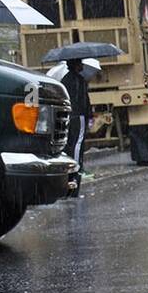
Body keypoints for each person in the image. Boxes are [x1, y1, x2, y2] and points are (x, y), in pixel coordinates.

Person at [61, 58, 93, 197]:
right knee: (78, 143)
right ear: (76, 65)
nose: (82, 66)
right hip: (78, 115)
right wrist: (89, 115)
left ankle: (70, 168)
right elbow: (84, 100)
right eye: (80, 63)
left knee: (69, 142)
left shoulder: (64, 80)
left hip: (68, 114)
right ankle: (76, 166)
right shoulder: (80, 81)